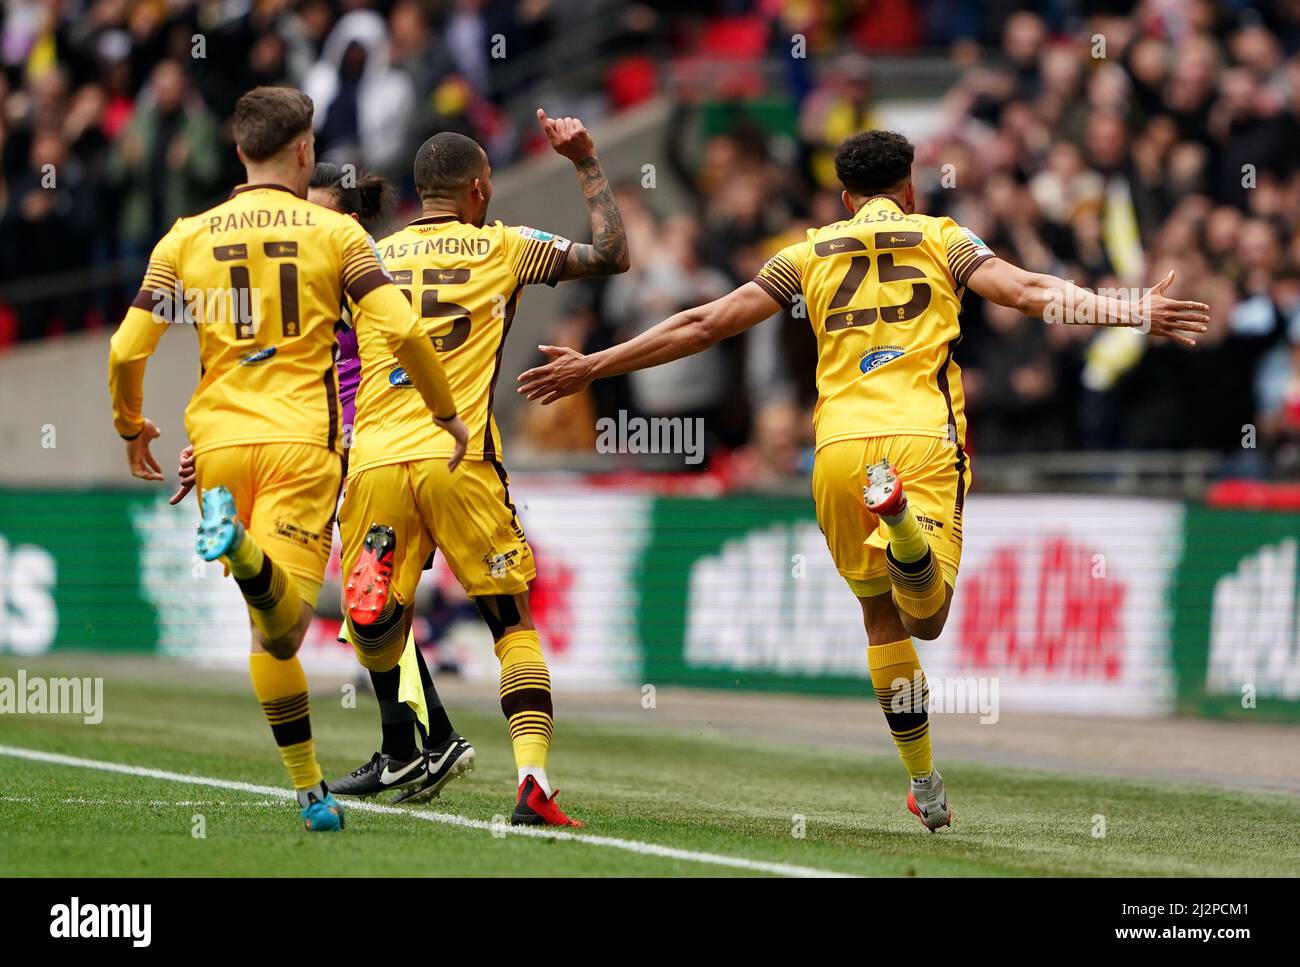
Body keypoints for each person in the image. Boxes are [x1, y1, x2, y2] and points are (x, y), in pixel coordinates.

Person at [517, 129, 1209, 831]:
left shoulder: (806, 251)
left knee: (882, 617)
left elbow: (704, 323)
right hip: (919, 436)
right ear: (909, 187)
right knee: (927, 616)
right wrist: (1130, 309)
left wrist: (592, 365)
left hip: (839, 448)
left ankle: (925, 780)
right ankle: (902, 523)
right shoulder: (942, 236)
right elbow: (1028, 292)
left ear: (845, 198)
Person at [107, 86, 468, 832]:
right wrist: (445, 412)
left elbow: (125, 347)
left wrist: (132, 424)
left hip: (216, 445)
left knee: (270, 631)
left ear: (237, 151)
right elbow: (403, 333)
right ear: (304, 150)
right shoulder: (338, 235)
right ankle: (240, 549)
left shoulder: (185, 234)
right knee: (291, 624)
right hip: (306, 443)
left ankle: (313, 792)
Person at [336, 109, 629, 826]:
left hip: (372, 457)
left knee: (376, 620)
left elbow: (328, 349)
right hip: (457, 454)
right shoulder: (505, 245)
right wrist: (587, 161)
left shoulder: (368, 258)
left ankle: (406, 741)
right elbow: (609, 254)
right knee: (508, 621)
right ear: (476, 188)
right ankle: (532, 780)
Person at [171, 161, 478, 803]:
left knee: (371, 600)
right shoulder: (321, 270)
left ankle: (433, 736)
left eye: (317, 210)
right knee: (370, 598)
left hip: (354, 444)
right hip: (320, 443)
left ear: (349, 217)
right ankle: (405, 747)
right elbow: (263, 364)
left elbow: (395, 351)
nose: (301, 222)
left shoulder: (356, 269)